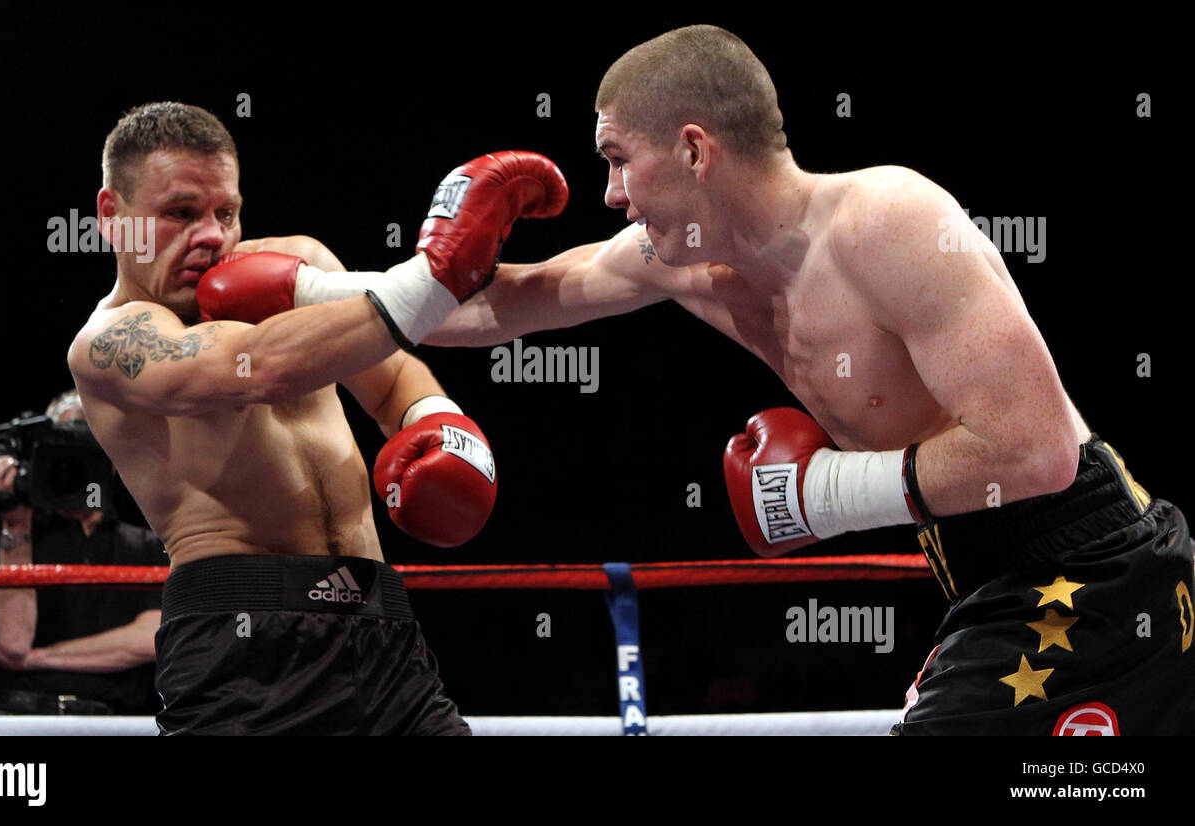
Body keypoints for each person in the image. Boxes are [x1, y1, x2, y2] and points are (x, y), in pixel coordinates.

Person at [401, 26, 1188, 734]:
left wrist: (822, 495)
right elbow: (493, 312)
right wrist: (333, 286)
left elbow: (1037, 455)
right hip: (989, 582)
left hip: (1091, 574)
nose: (610, 194)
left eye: (616, 160)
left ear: (693, 151)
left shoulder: (886, 220)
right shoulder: (684, 268)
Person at [67, 102, 565, 734]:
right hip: (243, 650)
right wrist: (435, 276)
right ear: (112, 217)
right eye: (180, 213)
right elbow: (252, 364)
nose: (213, 236)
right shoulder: (110, 343)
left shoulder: (293, 262)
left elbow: (390, 378)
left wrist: (435, 417)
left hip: (382, 629)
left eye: (227, 212)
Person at [0, 390, 168, 715]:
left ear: (115, 459)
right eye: (64, 446)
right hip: (16, 719)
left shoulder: (147, 544)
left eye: (89, 446)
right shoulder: (2, 530)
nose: (74, 462)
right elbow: (9, 645)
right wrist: (16, 530)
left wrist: (36, 659)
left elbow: (150, 640)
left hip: (109, 722)